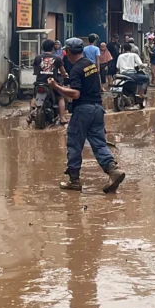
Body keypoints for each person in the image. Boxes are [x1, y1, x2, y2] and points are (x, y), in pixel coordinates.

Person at [49, 37, 127, 193]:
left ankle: (74, 180)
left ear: (69, 52)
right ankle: (113, 170)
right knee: (99, 143)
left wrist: (56, 86)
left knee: (74, 143)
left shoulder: (76, 69)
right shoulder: (90, 65)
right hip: (97, 109)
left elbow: (76, 93)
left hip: (83, 110)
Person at [32, 39, 68, 124]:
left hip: (39, 82)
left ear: (42, 48)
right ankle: (62, 118)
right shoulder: (57, 58)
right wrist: (65, 75)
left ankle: (30, 116)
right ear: (52, 48)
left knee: (34, 97)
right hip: (51, 83)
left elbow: (35, 72)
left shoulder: (37, 57)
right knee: (61, 98)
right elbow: (63, 72)